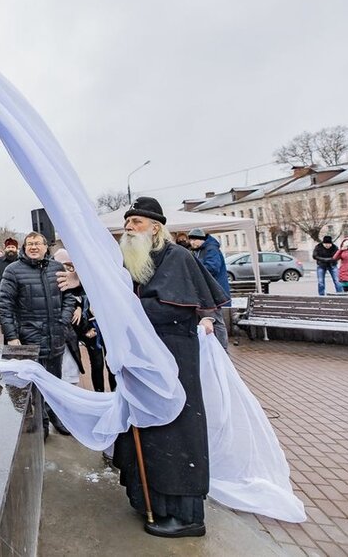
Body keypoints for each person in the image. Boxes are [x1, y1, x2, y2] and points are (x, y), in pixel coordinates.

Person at [112, 197, 228, 538]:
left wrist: (126, 309)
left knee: (175, 432)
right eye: (127, 223)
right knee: (149, 429)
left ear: (156, 227)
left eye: (136, 223)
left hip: (174, 358)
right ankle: (150, 501)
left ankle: (187, 517)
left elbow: (173, 308)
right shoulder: (138, 258)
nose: (129, 229)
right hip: (148, 359)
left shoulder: (176, 257)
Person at [0, 232, 77, 438]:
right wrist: (13, 336)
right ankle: (40, 422)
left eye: (37, 244)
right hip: (30, 336)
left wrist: (64, 319)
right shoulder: (13, 271)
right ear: (24, 248)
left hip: (56, 335)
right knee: (36, 383)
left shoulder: (57, 268)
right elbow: (5, 306)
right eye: (29, 244)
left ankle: (55, 416)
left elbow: (69, 296)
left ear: (45, 247)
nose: (33, 247)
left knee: (55, 380)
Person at [54, 249, 115, 393]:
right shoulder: (66, 278)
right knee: (97, 363)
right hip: (89, 326)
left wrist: (80, 305)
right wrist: (79, 307)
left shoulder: (95, 275)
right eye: (64, 264)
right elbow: (70, 297)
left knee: (113, 363)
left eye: (70, 264)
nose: (68, 267)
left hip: (107, 325)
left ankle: (115, 393)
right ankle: (99, 393)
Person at [186, 228, 231, 349]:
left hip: (213, 290)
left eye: (194, 240)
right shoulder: (199, 250)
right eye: (190, 240)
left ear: (201, 239)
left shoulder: (211, 249)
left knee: (216, 320)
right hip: (206, 290)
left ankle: (223, 348)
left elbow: (212, 268)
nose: (192, 243)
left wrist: (194, 270)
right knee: (212, 319)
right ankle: (215, 347)